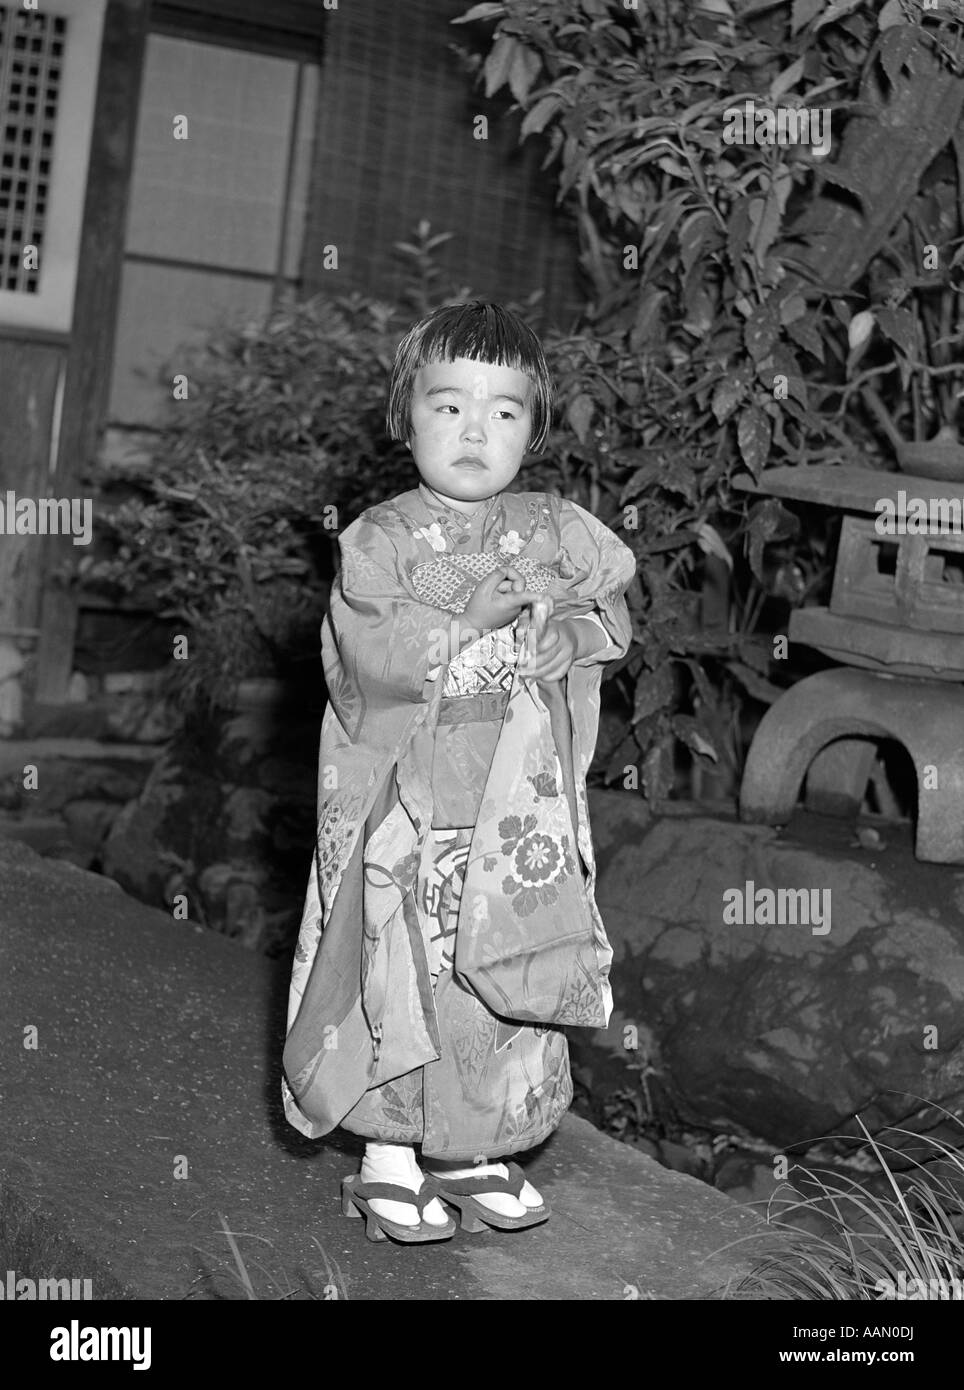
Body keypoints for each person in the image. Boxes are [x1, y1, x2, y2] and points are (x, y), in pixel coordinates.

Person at [282, 299, 636, 1243]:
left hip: (508, 815)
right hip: (408, 806)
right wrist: (463, 627)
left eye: (505, 411)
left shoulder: (551, 530)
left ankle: (475, 1149)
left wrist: (567, 638)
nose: (476, 431)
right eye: (449, 406)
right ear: (405, 415)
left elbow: (607, 614)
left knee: (497, 977)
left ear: (536, 425)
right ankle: (389, 1156)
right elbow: (365, 658)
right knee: (399, 977)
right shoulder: (380, 541)